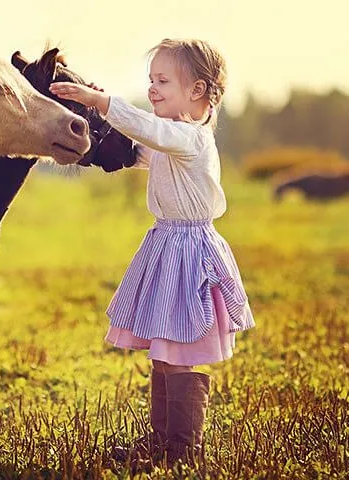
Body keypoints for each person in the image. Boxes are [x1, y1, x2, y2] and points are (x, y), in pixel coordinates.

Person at [50, 38, 255, 467]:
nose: (152, 88)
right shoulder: (173, 142)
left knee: (178, 352)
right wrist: (91, 131)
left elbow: (152, 131)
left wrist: (102, 100)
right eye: (151, 80)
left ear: (197, 91)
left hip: (188, 253)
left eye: (162, 81)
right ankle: (161, 440)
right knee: (163, 353)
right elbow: (137, 149)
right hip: (167, 246)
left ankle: (182, 448)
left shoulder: (190, 139)